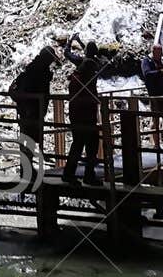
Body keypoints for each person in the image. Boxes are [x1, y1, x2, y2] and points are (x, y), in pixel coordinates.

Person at [8, 41, 61, 157]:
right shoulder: (40, 72)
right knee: (30, 141)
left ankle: (26, 170)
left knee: (27, 141)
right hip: (33, 111)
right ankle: (28, 170)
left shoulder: (32, 69)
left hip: (27, 110)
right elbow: (39, 90)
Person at [62, 37, 103, 185]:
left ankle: (69, 173)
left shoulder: (80, 66)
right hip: (88, 113)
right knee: (91, 145)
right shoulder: (94, 66)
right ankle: (88, 175)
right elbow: (95, 56)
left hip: (76, 112)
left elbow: (67, 53)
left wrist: (72, 42)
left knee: (78, 143)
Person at [140, 44, 163, 155]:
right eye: (158, 52)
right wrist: (161, 72)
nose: (160, 54)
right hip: (155, 95)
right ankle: (156, 144)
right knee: (155, 120)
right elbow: (147, 74)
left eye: (161, 52)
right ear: (153, 51)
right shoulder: (147, 61)